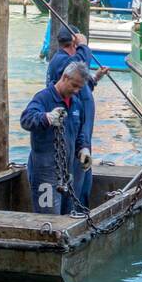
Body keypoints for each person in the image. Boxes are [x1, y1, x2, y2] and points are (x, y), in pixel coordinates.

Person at [20, 59, 91, 214]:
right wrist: (46, 118)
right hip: (44, 172)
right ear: (65, 77)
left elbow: (79, 132)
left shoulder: (76, 104)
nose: (77, 91)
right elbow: (26, 119)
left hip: (68, 171)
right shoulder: (43, 98)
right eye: (74, 85)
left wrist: (84, 148)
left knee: (68, 217)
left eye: (80, 87)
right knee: (48, 219)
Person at [46, 26, 97, 206]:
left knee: (83, 174)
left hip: (81, 133)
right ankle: (73, 210)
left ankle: (82, 208)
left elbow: (80, 85)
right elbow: (79, 66)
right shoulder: (61, 61)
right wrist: (83, 46)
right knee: (74, 176)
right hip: (72, 134)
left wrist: (95, 79)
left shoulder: (68, 68)